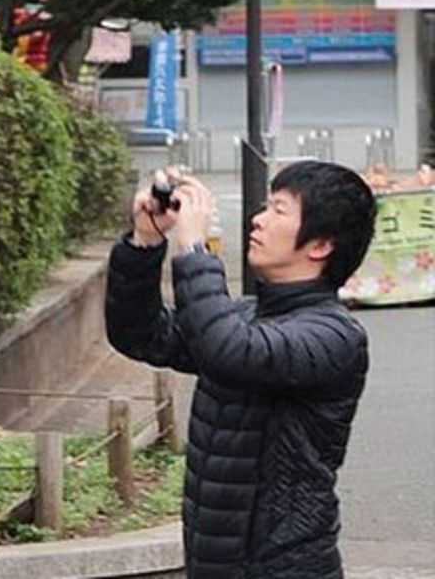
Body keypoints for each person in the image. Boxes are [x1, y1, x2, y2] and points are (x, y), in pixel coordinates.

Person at [105, 161, 376, 579]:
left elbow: (228, 351)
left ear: (320, 245)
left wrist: (194, 250)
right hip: (217, 561)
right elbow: (141, 335)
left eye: (279, 210)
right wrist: (145, 241)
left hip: (284, 569)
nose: (258, 220)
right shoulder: (246, 317)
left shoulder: (334, 336)